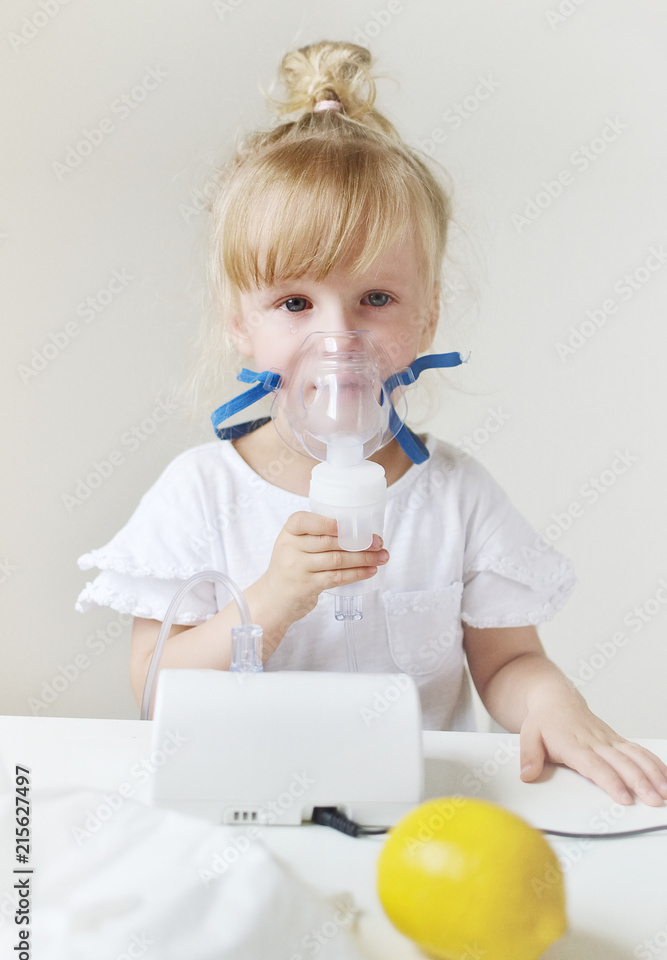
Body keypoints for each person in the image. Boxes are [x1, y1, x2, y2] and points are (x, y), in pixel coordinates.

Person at [76, 39, 667, 808]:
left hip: (416, 820)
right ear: (239, 325)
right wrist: (271, 600)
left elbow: (505, 662)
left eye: (375, 299)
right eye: (294, 303)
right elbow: (158, 695)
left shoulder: (452, 495)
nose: (339, 338)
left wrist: (553, 704)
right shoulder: (200, 495)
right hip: (245, 811)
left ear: (427, 317)